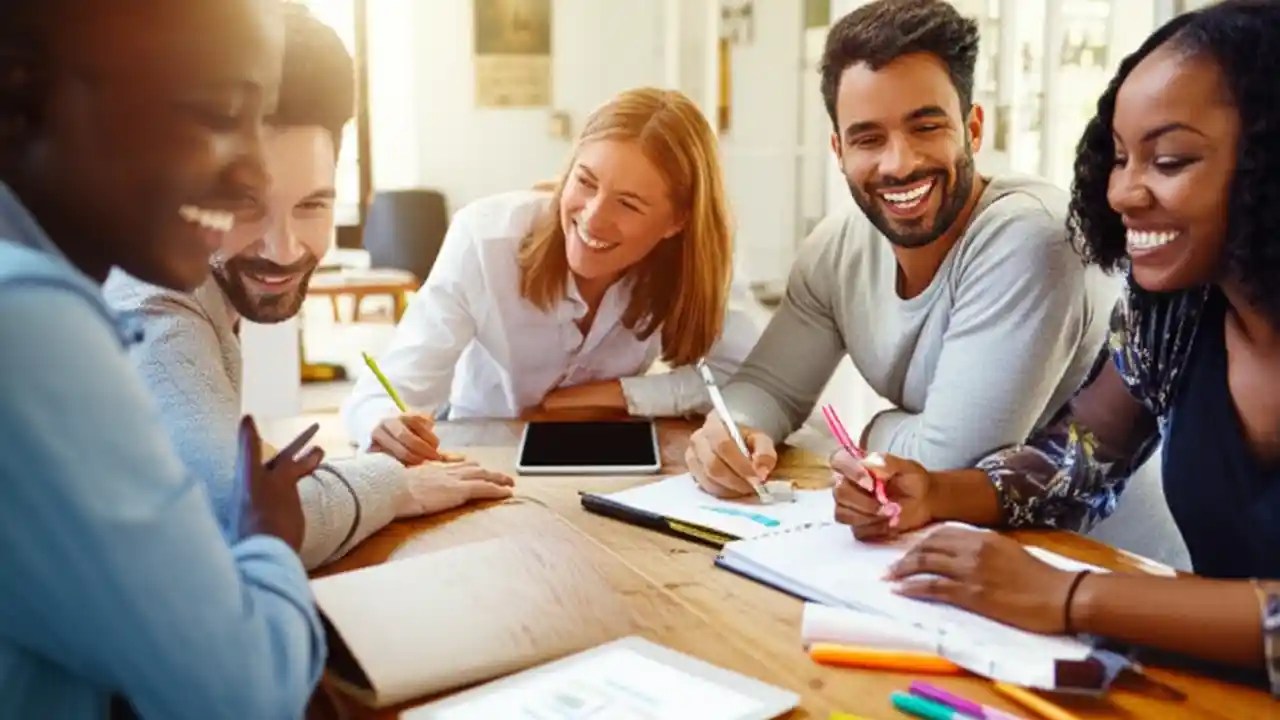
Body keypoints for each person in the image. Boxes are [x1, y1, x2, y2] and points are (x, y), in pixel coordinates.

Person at [831, 0, 1280, 692]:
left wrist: (1070, 598)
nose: (1125, 190)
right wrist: (936, 493)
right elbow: (1079, 458)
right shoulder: (1174, 313)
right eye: (1121, 156)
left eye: (1168, 159)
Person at [0, 1, 327, 717]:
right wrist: (270, 538)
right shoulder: (31, 328)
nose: (252, 170)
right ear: (22, 93)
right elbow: (244, 692)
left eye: (259, 115)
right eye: (214, 113)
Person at [105, 4, 514, 571]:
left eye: (313, 204)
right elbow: (251, 522)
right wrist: (394, 485)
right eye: (246, 203)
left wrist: (382, 480)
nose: (284, 248)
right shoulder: (154, 306)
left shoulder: (196, 282)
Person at [686, 0, 1118, 499]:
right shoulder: (836, 249)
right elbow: (768, 388)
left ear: (972, 129)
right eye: (868, 138)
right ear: (839, 152)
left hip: (1095, 557)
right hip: (948, 549)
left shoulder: (1033, 238)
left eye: (926, 127)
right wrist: (734, 430)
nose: (898, 163)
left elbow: (953, 464)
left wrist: (874, 430)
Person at [341, 87, 760, 463]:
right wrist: (384, 422)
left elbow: (747, 379)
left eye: (628, 204)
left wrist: (616, 396)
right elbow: (384, 391)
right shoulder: (485, 238)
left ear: (677, 221)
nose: (594, 219)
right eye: (585, 182)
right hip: (486, 446)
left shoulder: (697, 258)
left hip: (610, 449)